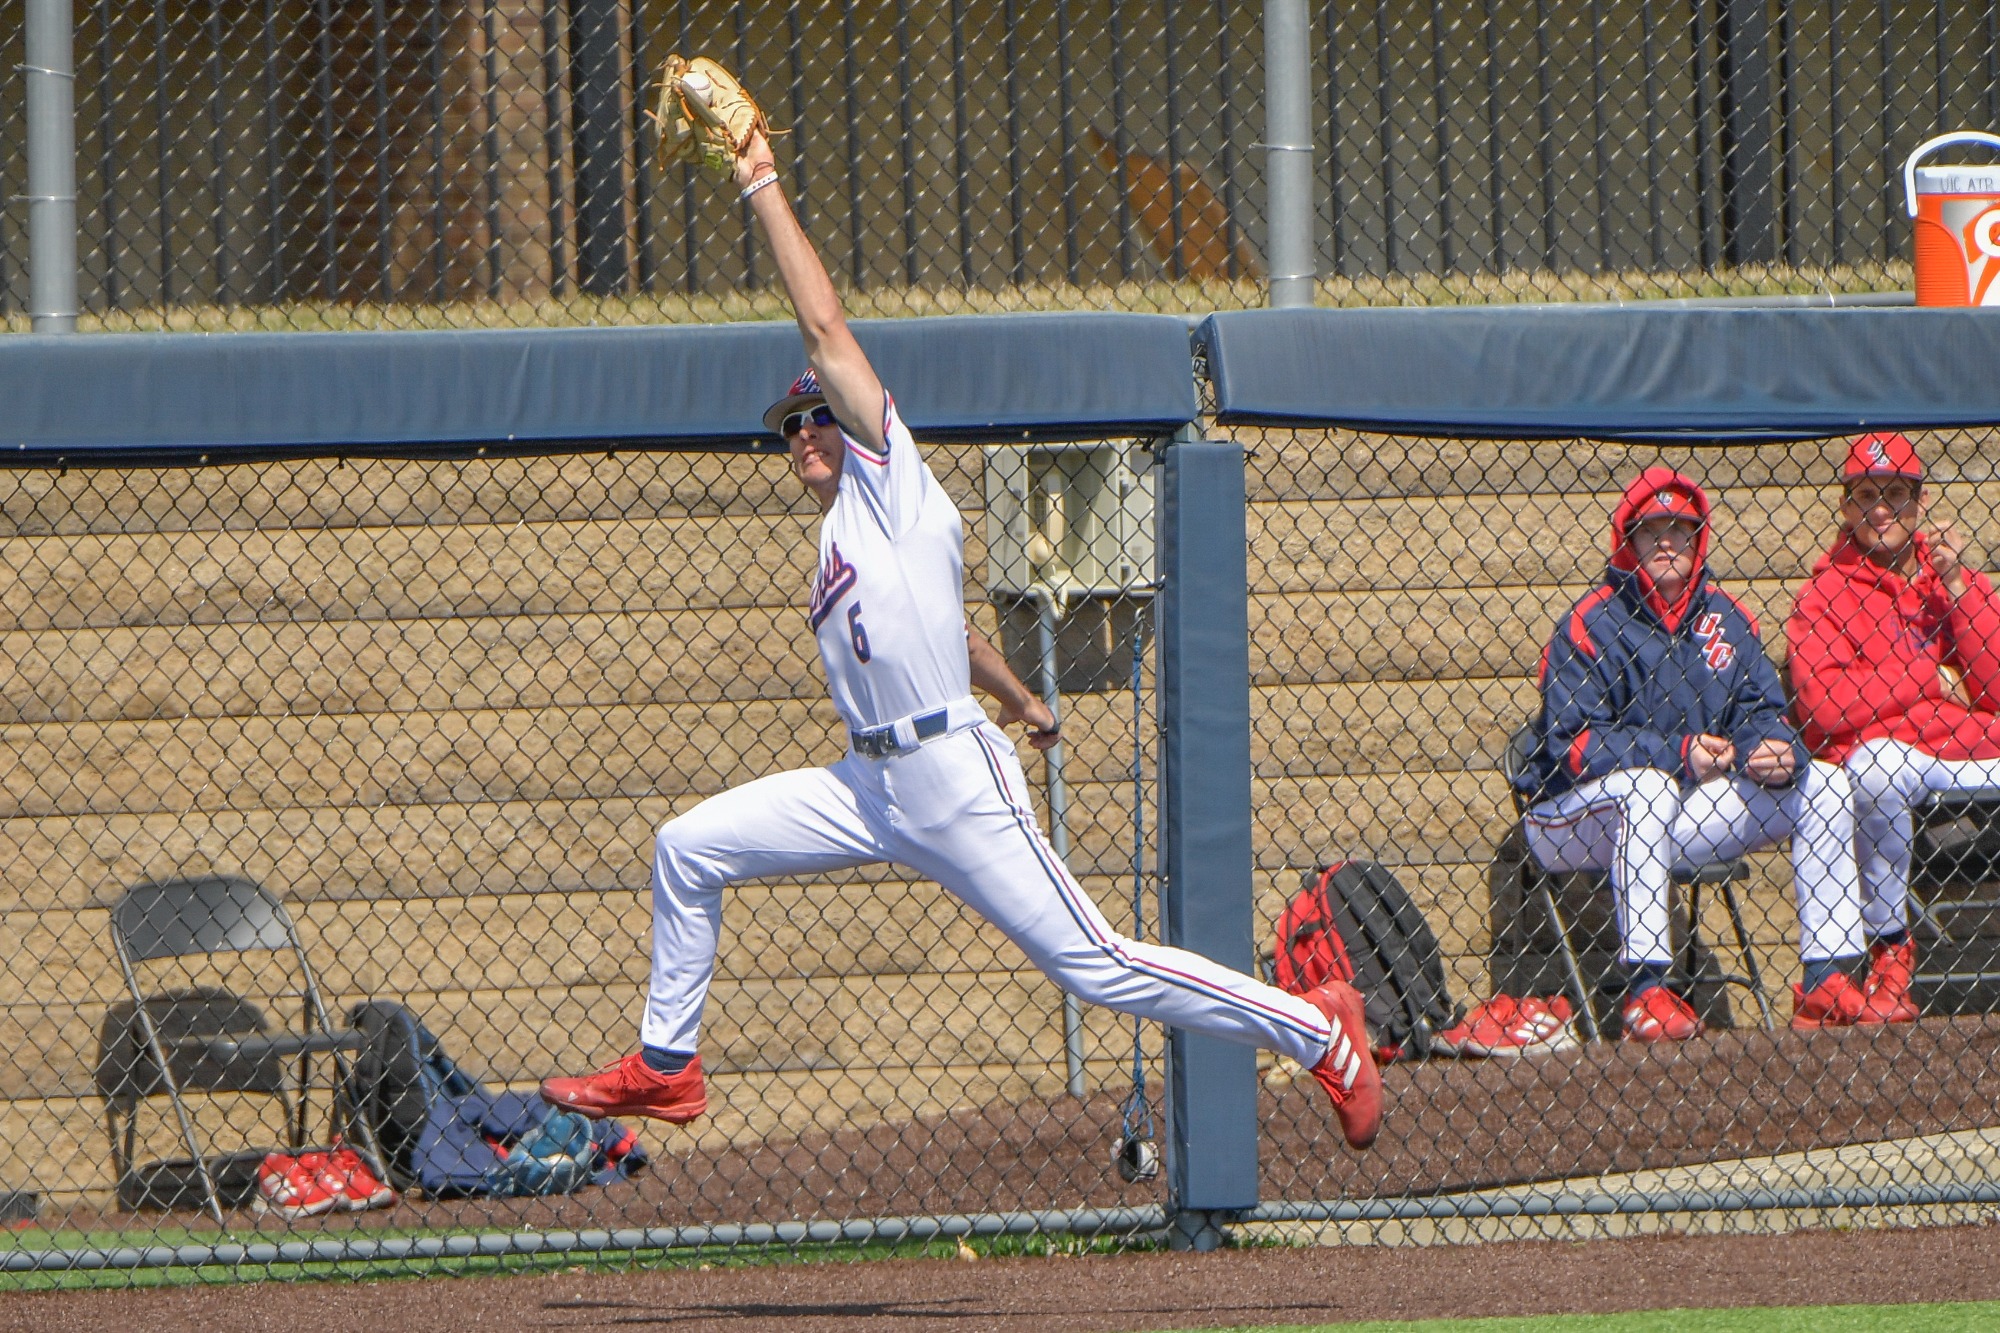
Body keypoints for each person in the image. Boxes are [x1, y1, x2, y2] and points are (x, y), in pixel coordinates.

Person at [539, 121, 1382, 1149]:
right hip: (866, 788)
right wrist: (1019, 695)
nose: (801, 433)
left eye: (815, 419)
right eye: (788, 427)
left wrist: (758, 181)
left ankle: (1315, 1030)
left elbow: (822, 329)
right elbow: (936, 634)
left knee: (1096, 963)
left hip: (946, 775)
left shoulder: (891, 482)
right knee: (688, 846)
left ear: (856, 430)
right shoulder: (843, 545)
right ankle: (666, 1066)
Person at [1515, 467, 1871, 1040]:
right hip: (1570, 817)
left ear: (1698, 538)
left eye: (1680, 529)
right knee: (1648, 787)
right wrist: (1678, 752)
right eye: (1650, 528)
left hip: (1675, 815)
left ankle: (1827, 980)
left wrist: (1773, 749)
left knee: (1825, 783)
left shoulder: (1726, 617)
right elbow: (1571, 746)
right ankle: (1647, 992)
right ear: (1627, 542)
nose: (1666, 541)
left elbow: (1761, 708)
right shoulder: (1592, 621)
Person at [1785, 432, 2000, 1025]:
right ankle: (1890, 952)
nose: (1883, 509)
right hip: (1902, 762)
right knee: (1876, 764)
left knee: (1879, 746)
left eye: (1898, 494)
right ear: (1847, 506)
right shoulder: (1824, 594)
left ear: (1920, 503)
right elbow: (1826, 710)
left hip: (1966, 752)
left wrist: (1959, 594)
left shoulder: (1950, 579)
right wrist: (1929, 676)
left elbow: (1997, 688)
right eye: (1868, 494)